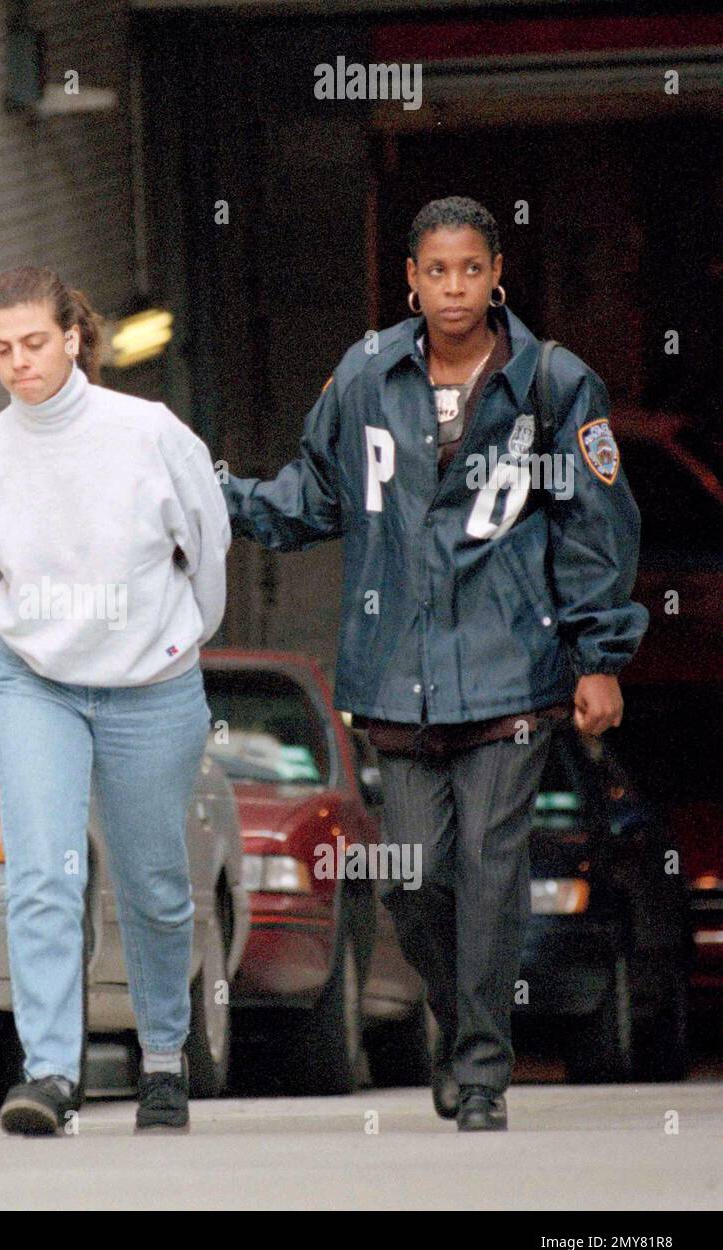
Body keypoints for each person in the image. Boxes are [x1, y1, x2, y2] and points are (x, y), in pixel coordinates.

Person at [223, 196, 646, 1132]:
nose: (453, 287)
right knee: (414, 880)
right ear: (409, 281)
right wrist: (219, 499)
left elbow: (595, 529)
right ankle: (465, 1028)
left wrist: (598, 656)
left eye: (470, 269)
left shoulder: (553, 383)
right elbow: (314, 496)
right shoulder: (366, 375)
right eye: (435, 271)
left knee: (492, 871)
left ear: (497, 275)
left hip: (512, 673)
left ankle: (485, 1074)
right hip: (394, 675)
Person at [0, 266, 231, 1136]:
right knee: (42, 872)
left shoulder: (148, 433)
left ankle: (161, 1060)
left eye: (35, 343)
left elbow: (207, 546)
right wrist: (33, 643)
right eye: (1, 349)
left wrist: (174, 644)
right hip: (36, 683)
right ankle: (49, 1075)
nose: (19, 363)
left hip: (152, 686)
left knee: (153, 884)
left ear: (72, 337)